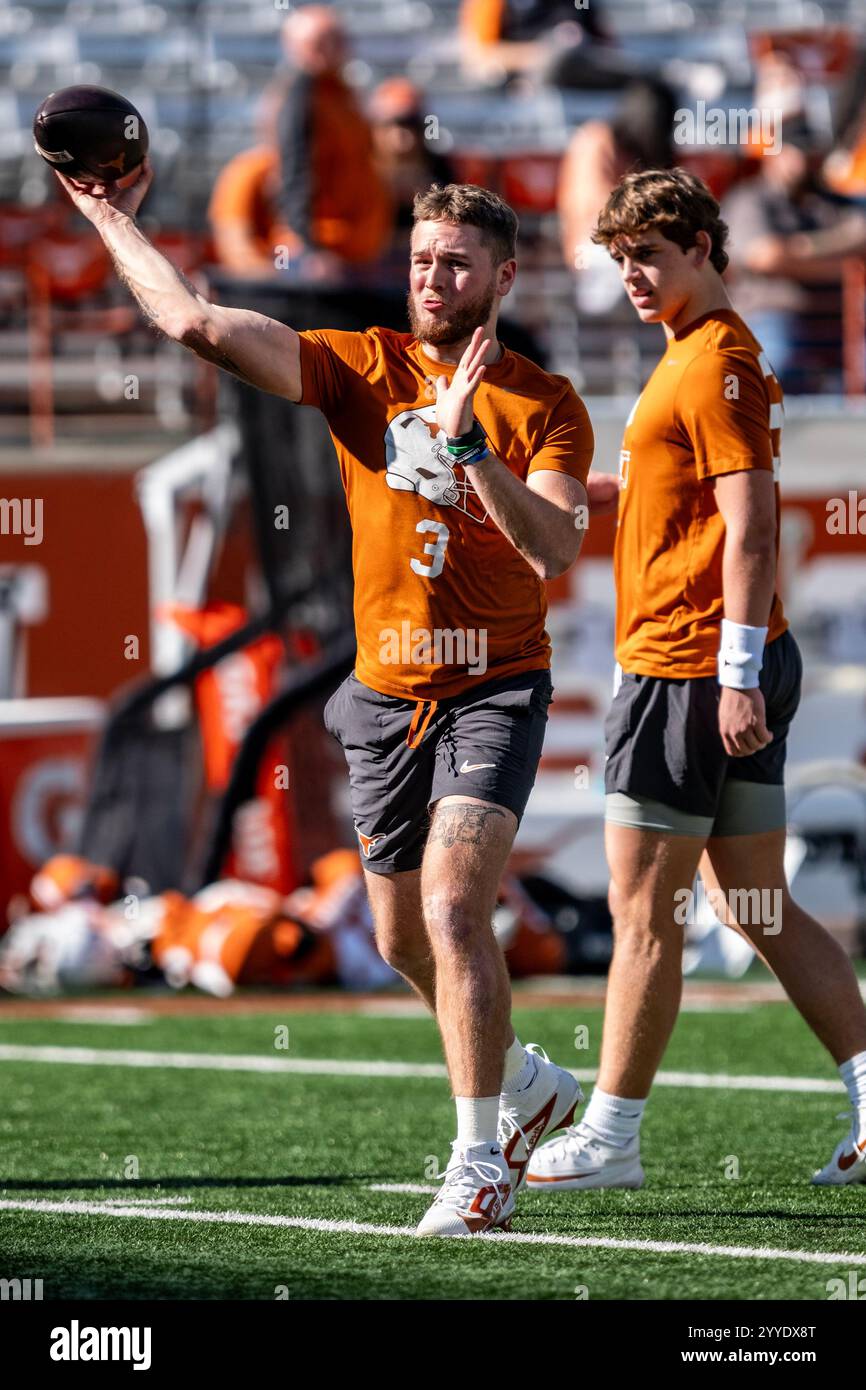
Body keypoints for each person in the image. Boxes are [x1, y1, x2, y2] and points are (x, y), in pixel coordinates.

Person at [56, 158, 621, 1235]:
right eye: (419, 259)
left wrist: (466, 448)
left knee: (457, 910)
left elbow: (551, 543)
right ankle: (529, 1081)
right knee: (402, 938)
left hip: (490, 686)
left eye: (455, 263)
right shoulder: (357, 365)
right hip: (382, 692)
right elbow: (192, 322)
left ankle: (478, 1159)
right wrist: (107, 220)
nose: (431, 278)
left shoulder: (544, 404)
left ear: (501, 276)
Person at [527, 167, 866, 1193]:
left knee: (642, 912)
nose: (632, 274)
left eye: (650, 256)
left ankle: (611, 1135)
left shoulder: (713, 359)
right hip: (712, 662)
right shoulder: (698, 355)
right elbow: (682, 494)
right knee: (755, 902)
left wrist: (728, 673)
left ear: (703, 251)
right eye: (620, 257)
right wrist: (583, 492)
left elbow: (753, 522)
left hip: (687, 668)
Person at [722, 121, 866, 393]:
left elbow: (862, 235)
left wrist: (798, 251)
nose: (809, 160)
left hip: (838, 320)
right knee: (778, 362)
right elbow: (765, 257)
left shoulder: (828, 201)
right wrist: (840, 263)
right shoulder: (750, 199)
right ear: (776, 154)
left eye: (813, 153)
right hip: (772, 315)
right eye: (799, 152)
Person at [274, 6, 392, 273]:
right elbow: (294, 171)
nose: (332, 49)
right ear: (296, 48)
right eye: (319, 43)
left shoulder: (343, 93)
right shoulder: (301, 98)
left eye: (338, 40)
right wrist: (309, 245)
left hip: (357, 248)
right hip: (320, 252)